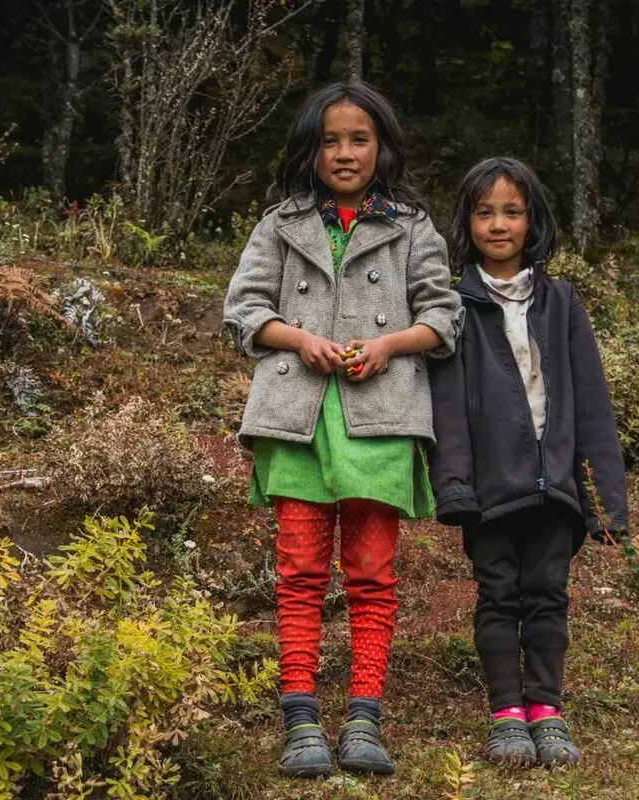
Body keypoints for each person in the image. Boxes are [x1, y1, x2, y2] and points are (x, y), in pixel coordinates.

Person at [223, 81, 463, 778]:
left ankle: (364, 719)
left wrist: (389, 346)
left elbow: (444, 317)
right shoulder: (280, 224)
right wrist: (297, 338)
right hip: (295, 419)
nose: (345, 152)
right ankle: (300, 720)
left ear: (382, 145)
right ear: (310, 147)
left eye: (359, 139)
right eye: (330, 139)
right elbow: (244, 311)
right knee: (298, 574)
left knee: (371, 576)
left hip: (381, 422)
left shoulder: (413, 226)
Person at [427, 156, 630, 768]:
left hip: (557, 490)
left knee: (547, 594)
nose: (498, 224)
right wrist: (455, 484)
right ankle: (506, 713)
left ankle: (546, 707)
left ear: (533, 220)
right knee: (498, 596)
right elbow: (446, 406)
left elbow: (592, 405)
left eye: (512, 212)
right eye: (484, 212)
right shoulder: (453, 306)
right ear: (466, 221)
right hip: (491, 491)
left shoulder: (562, 302)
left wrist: (604, 503)